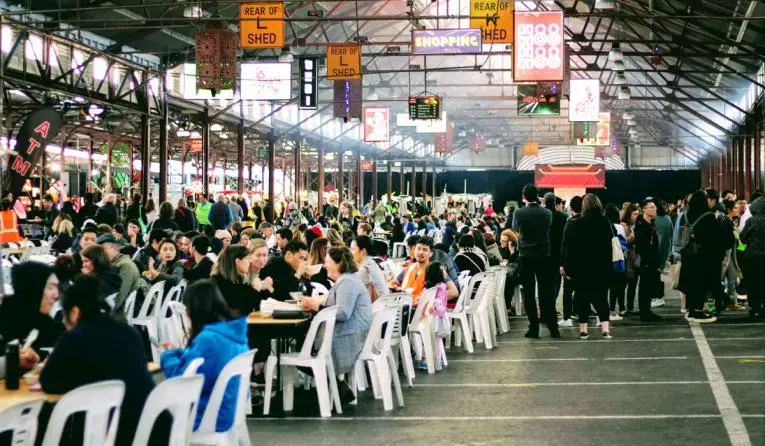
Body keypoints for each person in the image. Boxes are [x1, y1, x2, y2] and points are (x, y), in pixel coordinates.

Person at [39, 275, 155, 446]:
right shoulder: (128, 332)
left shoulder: (75, 336)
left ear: (75, 312)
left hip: (110, 434)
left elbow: (49, 382)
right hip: (148, 427)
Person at [160, 280, 248, 432]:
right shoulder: (231, 333)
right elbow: (205, 364)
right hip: (230, 410)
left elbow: (184, 380)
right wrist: (179, 353)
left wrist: (167, 356)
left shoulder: (208, 340)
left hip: (207, 416)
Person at [300, 246, 372, 404]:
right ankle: (335, 386)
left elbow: (342, 313)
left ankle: (335, 386)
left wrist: (316, 307)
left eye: (327, 262)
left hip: (347, 338)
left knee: (301, 349)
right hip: (351, 334)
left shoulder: (346, 282)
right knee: (303, 343)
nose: (324, 265)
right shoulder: (348, 280)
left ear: (338, 264)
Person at [561, 194, 614, 339]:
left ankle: (583, 331)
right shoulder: (605, 222)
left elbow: (568, 248)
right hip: (601, 267)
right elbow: (610, 245)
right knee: (602, 298)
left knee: (582, 298)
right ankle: (605, 330)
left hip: (581, 268)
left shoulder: (575, 224)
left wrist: (566, 267)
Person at [512, 184, 559, 338]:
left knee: (529, 294)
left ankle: (534, 328)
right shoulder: (547, 213)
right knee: (546, 292)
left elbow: (515, 229)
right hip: (544, 256)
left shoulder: (518, 213)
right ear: (537, 196)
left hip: (525, 257)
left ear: (524, 196)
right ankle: (553, 327)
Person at [0, 262, 63, 369]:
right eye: (50, 287)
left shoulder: (45, 323)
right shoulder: (4, 321)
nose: (56, 295)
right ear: (34, 288)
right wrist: (13, 361)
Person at [677, 191, 721, 323]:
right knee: (701, 283)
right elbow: (714, 239)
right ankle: (699, 312)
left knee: (690, 283)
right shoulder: (709, 216)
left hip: (687, 254)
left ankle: (690, 311)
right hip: (703, 256)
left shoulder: (684, 215)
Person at [211, 245, 269, 316]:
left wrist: (259, 287)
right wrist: (256, 289)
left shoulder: (238, 280)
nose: (250, 262)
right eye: (247, 258)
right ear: (238, 261)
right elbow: (243, 308)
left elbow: (257, 303)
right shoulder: (219, 282)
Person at [99, 233, 144, 317]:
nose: (100, 254)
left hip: (124, 313)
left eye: (103, 249)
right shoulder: (115, 263)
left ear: (115, 248)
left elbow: (117, 300)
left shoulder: (125, 266)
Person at [633, 199, 662, 321]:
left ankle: (646, 310)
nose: (654, 209)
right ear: (644, 209)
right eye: (651, 207)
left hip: (652, 261)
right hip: (646, 261)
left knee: (648, 286)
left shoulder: (651, 223)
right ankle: (644, 312)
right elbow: (641, 244)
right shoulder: (641, 225)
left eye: (655, 207)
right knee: (644, 286)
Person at [391, 236, 435, 306]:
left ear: (431, 253)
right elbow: (393, 283)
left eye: (425, 250)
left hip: (422, 309)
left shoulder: (435, 270)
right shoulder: (409, 268)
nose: (420, 252)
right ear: (414, 250)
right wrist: (396, 288)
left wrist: (428, 298)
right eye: (418, 249)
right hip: (404, 305)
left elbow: (453, 292)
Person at [740, 195, 764, 319]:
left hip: (753, 258)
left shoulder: (751, 221)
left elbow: (742, 239)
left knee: (754, 283)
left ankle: (755, 308)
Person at [605, 203, 627, 321]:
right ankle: (613, 311)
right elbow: (623, 245)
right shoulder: (619, 227)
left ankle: (605, 312)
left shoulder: (602, 225)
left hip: (604, 259)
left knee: (604, 287)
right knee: (616, 286)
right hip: (616, 259)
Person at [544, 192, 567, 301]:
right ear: (554, 202)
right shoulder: (562, 217)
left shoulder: (541, 215)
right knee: (556, 280)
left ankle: (546, 304)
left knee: (544, 280)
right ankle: (552, 303)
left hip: (543, 253)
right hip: (557, 252)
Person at [351, 235, 389, 301]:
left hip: (377, 306)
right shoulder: (371, 263)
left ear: (363, 251)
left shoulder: (365, 269)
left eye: (353, 249)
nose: (350, 252)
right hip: (385, 304)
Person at [652, 198, 674, 308]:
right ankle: (658, 297)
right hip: (665, 249)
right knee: (658, 273)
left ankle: (658, 297)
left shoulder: (653, 219)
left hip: (655, 251)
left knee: (654, 275)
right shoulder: (668, 218)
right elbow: (671, 234)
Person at [621, 203, 640, 316]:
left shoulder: (638, 225)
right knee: (624, 284)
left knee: (633, 284)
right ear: (629, 214)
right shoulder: (623, 225)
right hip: (626, 258)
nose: (636, 216)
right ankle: (623, 308)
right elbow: (623, 242)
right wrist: (632, 237)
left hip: (635, 258)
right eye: (634, 214)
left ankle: (630, 307)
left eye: (638, 214)